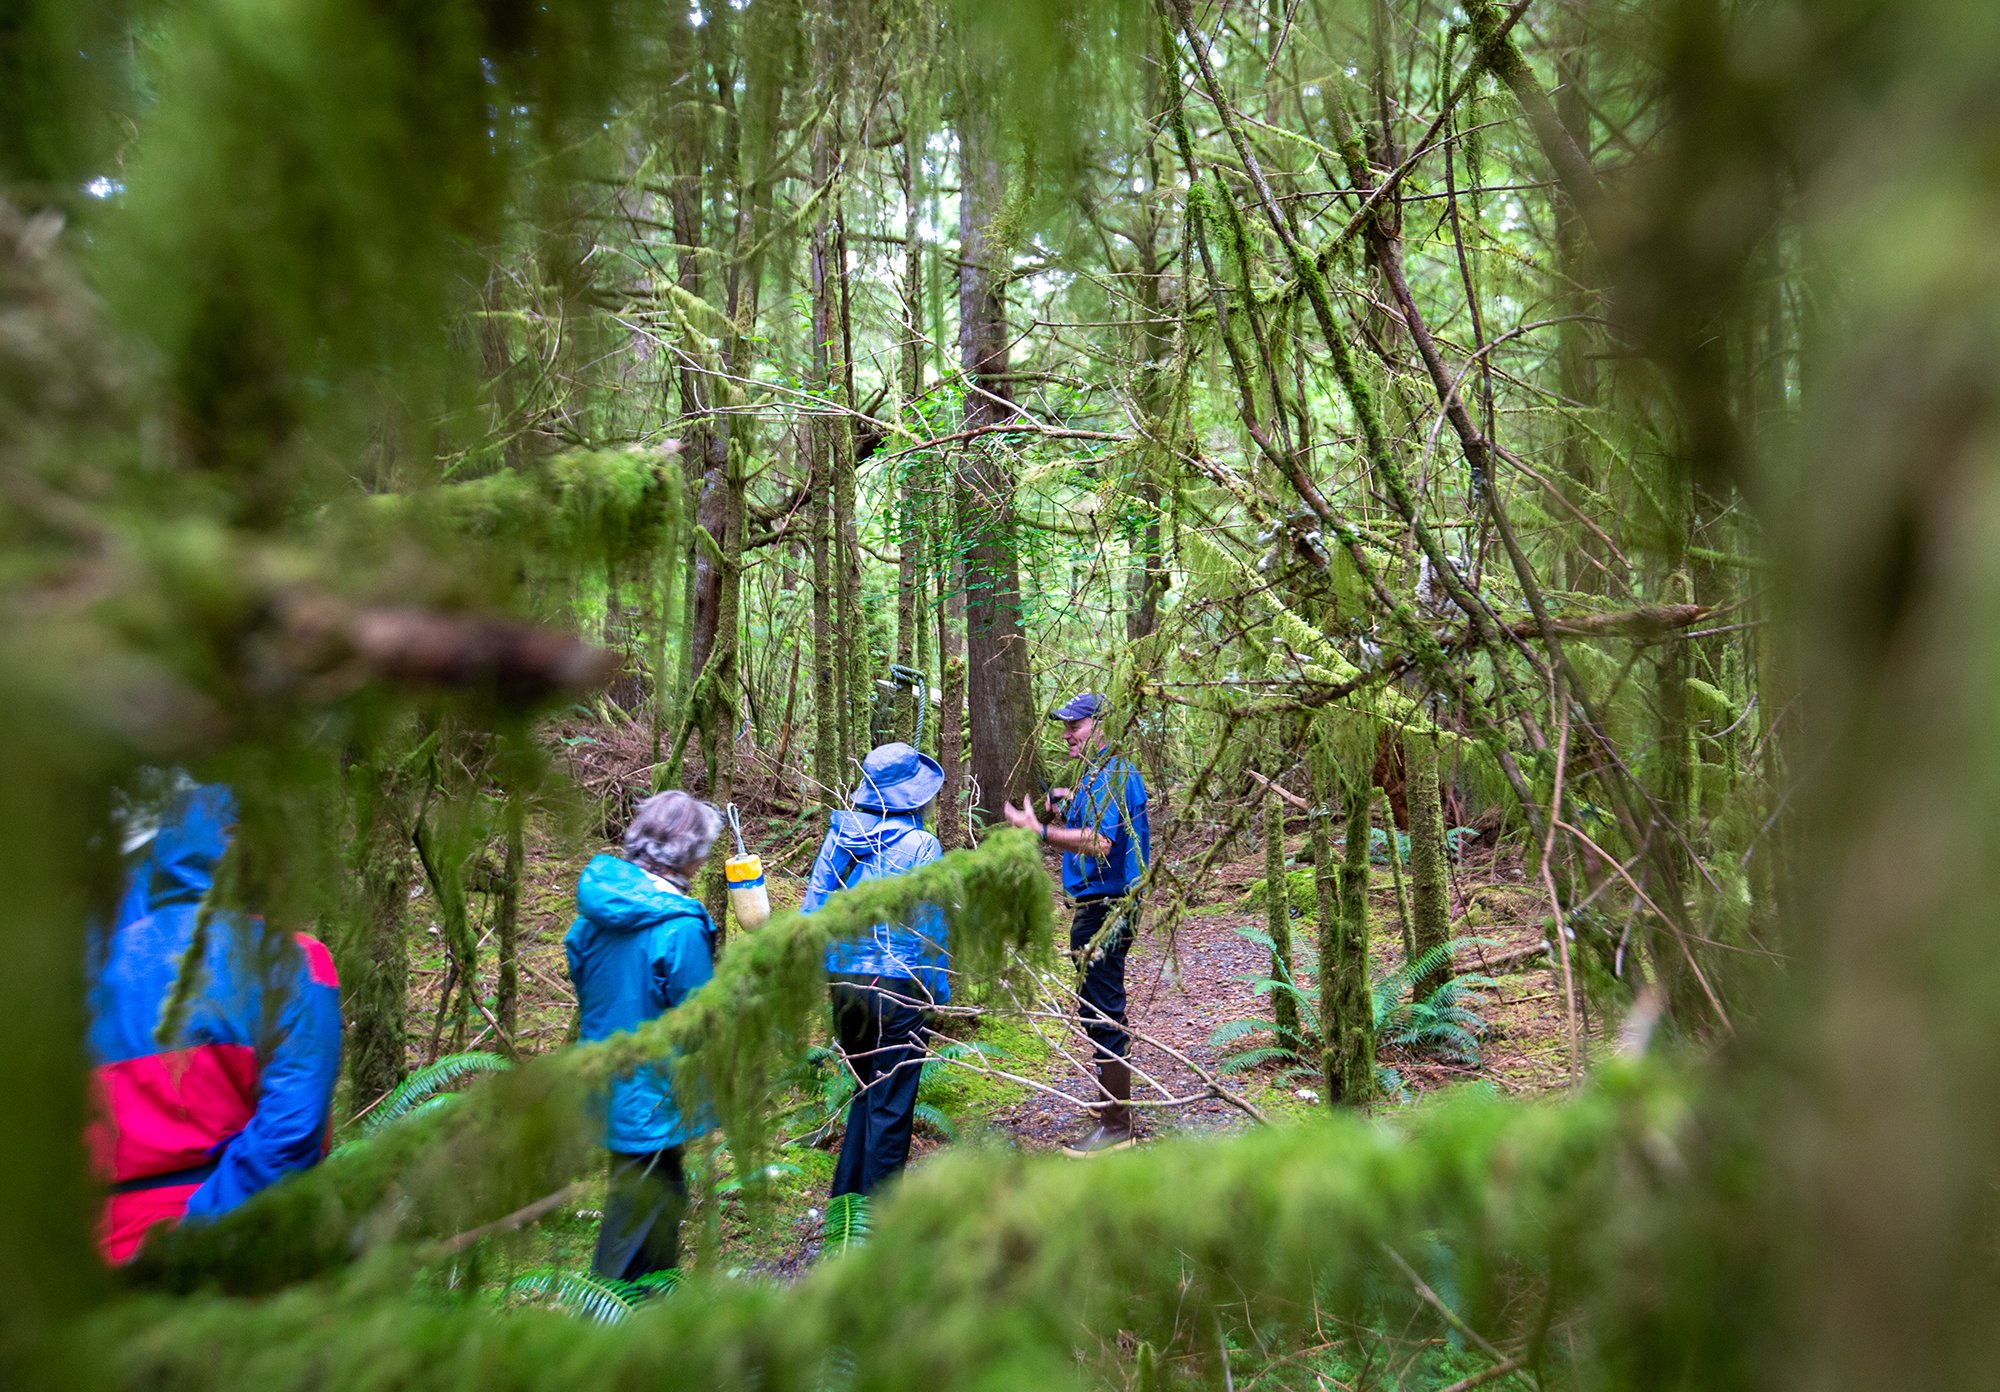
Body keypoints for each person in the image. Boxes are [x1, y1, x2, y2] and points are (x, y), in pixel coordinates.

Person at [86, 784, 344, 1263]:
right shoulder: (293, 963)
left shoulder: (88, 972)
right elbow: (293, 1132)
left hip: (98, 1259)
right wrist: (193, 1234)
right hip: (239, 1252)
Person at [565, 789, 723, 1282]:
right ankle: (604, 1333)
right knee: (634, 1224)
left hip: (607, 1078)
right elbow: (698, 1018)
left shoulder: (595, 910)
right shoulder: (677, 926)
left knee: (657, 1201)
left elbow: (583, 973)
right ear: (689, 851)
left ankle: (650, 1319)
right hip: (654, 1093)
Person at [1002, 692, 1151, 1156]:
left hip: (1110, 906)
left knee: (1102, 1006)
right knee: (1095, 1001)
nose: (1067, 734)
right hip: (1096, 903)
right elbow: (1092, 818)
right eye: (1065, 726)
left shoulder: (1115, 772)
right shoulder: (1095, 774)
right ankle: (1112, 1098)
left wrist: (1041, 832)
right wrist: (1063, 802)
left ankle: (1116, 1125)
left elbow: (1103, 842)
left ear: (1102, 725)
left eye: (1076, 726)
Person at [802, 741, 948, 1199]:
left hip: (843, 982)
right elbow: (931, 931)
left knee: (866, 1091)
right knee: (892, 1104)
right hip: (898, 986)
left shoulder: (838, 837)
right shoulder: (923, 846)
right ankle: (877, 1232)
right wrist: (937, 994)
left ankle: (846, 1211)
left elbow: (812, 915)